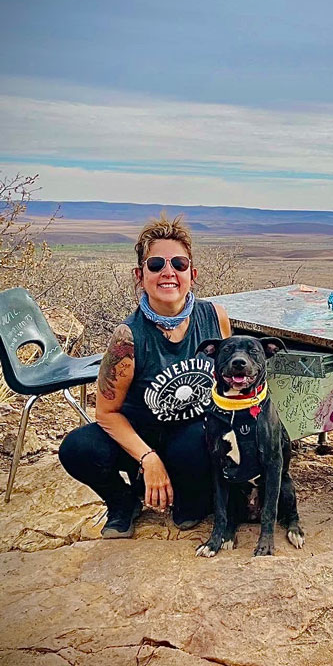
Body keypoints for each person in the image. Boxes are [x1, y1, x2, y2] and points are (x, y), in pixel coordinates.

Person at [59, 213, 232, 537]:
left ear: (191, 274)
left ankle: (187, 493)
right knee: (78, 448)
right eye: (156, 265)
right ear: (140, 276)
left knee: (189, 510)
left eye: (179, 264)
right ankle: (124, 501)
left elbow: (225, 385)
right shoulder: (129, 337)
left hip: (191, 438)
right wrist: (148, 459)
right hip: (140, 437)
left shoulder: (215, 318)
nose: (169, 272)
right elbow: (106, 413)